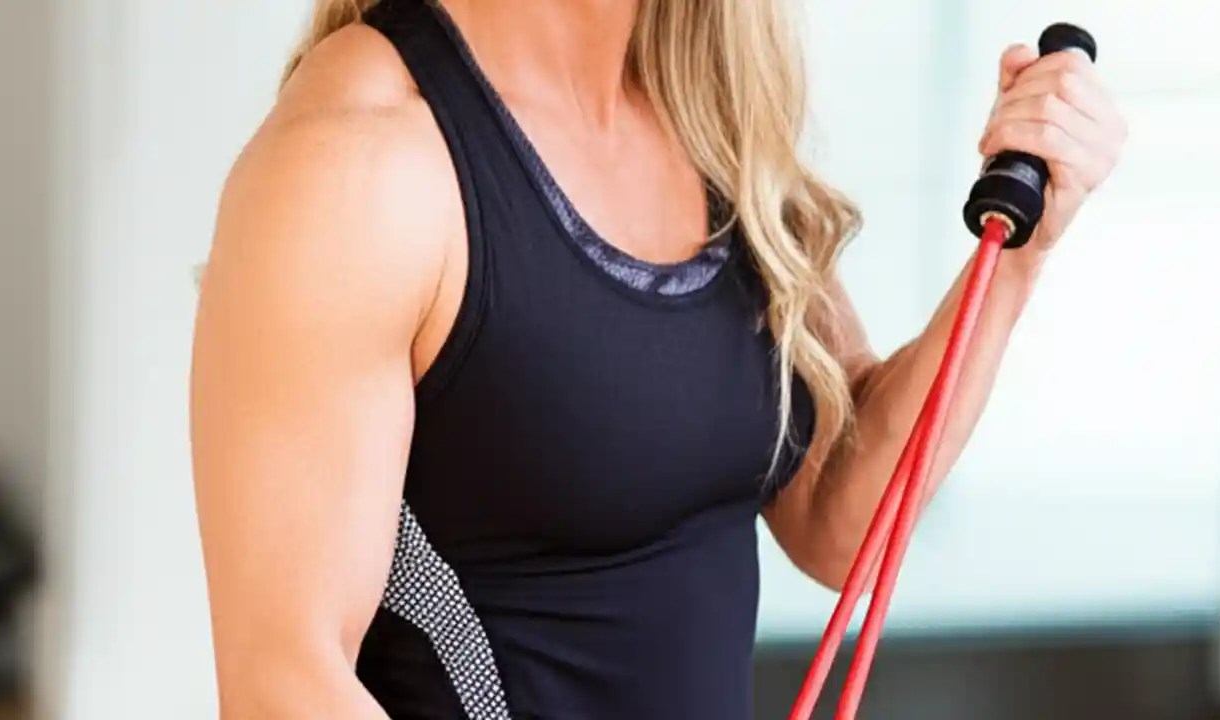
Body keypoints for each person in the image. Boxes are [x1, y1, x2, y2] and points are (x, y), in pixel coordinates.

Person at [190, 0, 1126, 717]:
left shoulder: (713, 123)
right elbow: (287, 685)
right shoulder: (362, 163)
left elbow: (842, 517)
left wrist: (1015, 258)